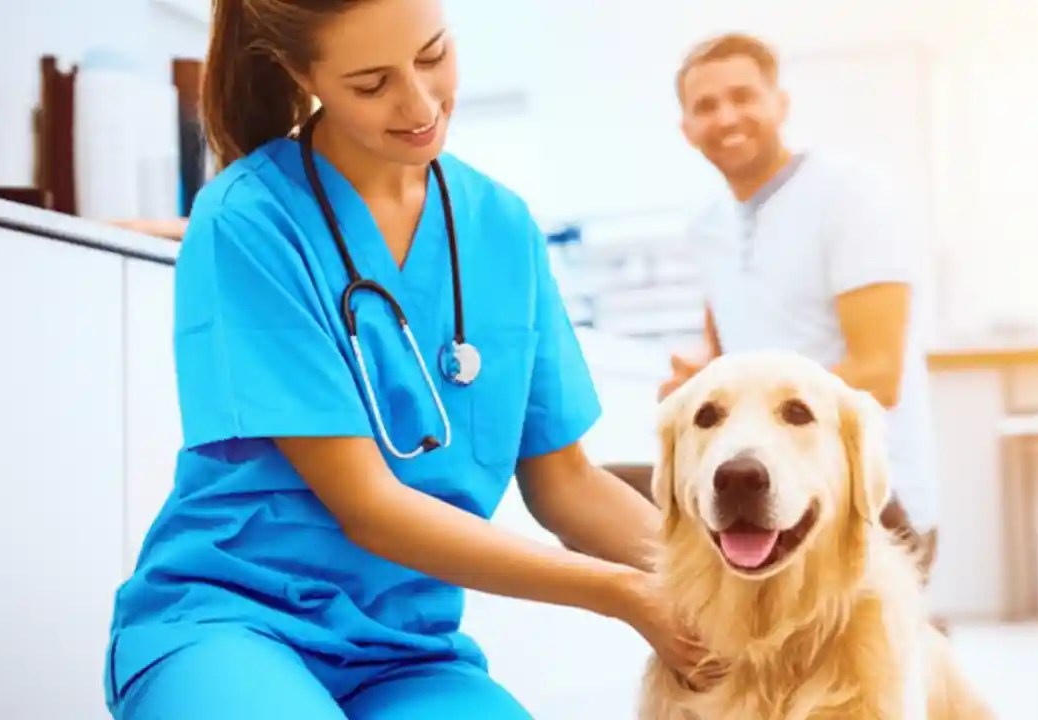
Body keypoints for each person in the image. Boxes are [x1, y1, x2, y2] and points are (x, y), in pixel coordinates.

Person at [102, 2, 724, 718]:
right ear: (301, 73)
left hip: (406, 652)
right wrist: (619, 593)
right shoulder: (250, 219)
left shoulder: (502, 225)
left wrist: (727, 583)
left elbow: (568, 485)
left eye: (433, 56)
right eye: (372, 84)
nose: (422, 104)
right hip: (231, 622)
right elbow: (368, 507)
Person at [660, 33, 943, 586]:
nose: (727, 116)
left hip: (871, 496)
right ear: (686, 129)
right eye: (706, 106)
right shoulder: (707, 228)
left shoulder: (852, 197)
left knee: (865, 667)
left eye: (744, 96)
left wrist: (769, 417)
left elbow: (879, 375)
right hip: (757, 485)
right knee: (614, 508)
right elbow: (725, 357)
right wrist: (696, 383)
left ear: (780, 104)